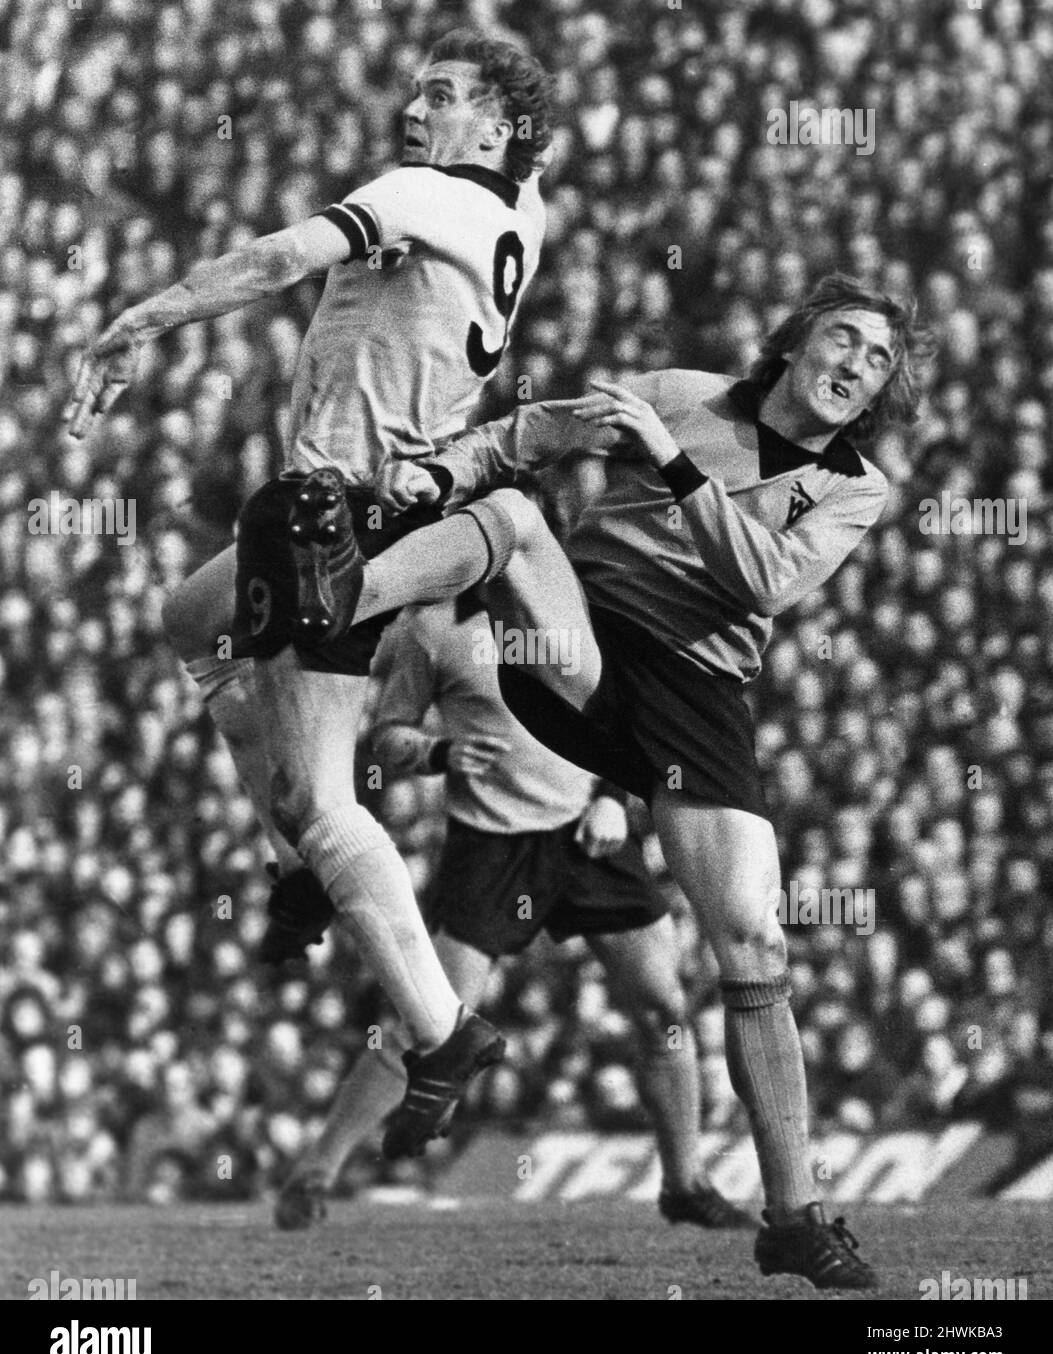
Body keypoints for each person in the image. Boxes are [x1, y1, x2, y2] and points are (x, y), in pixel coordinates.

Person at [289, 273, 934, 1288]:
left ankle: (794, 1217)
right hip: (581, 646)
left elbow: (762, 577)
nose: (857, 364)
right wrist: (439, 471)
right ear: (796, 339)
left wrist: (671, 464)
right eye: (843, 338)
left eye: (879, 357)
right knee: (509, 510)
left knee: (753, 943)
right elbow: (532, 431)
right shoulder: (680, 391)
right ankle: (339, 590)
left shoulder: (855, 484)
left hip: (700, 690)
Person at [63, 30, 554, 1160]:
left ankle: (440, 1028)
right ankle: (295, 871)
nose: (413, 108)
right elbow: (527, 172)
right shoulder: (522, 208)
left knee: (325, 802)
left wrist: (146, 317)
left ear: (493, 126)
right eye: (416, 89)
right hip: (390, 501)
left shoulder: (425, 192)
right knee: (191, 622)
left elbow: (282, 259)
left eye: (443, 94)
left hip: (332, 510)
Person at [275, 588, 754, 1235]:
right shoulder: (431, 629)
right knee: (432, 1022)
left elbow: (624, 710)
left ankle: (685, 1181)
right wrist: (437, 754)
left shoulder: (577, 603)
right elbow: (386, 736)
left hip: (588, 832)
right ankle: (316, 1170)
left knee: (662, 1005)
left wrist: (614, 795)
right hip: (492, 844)